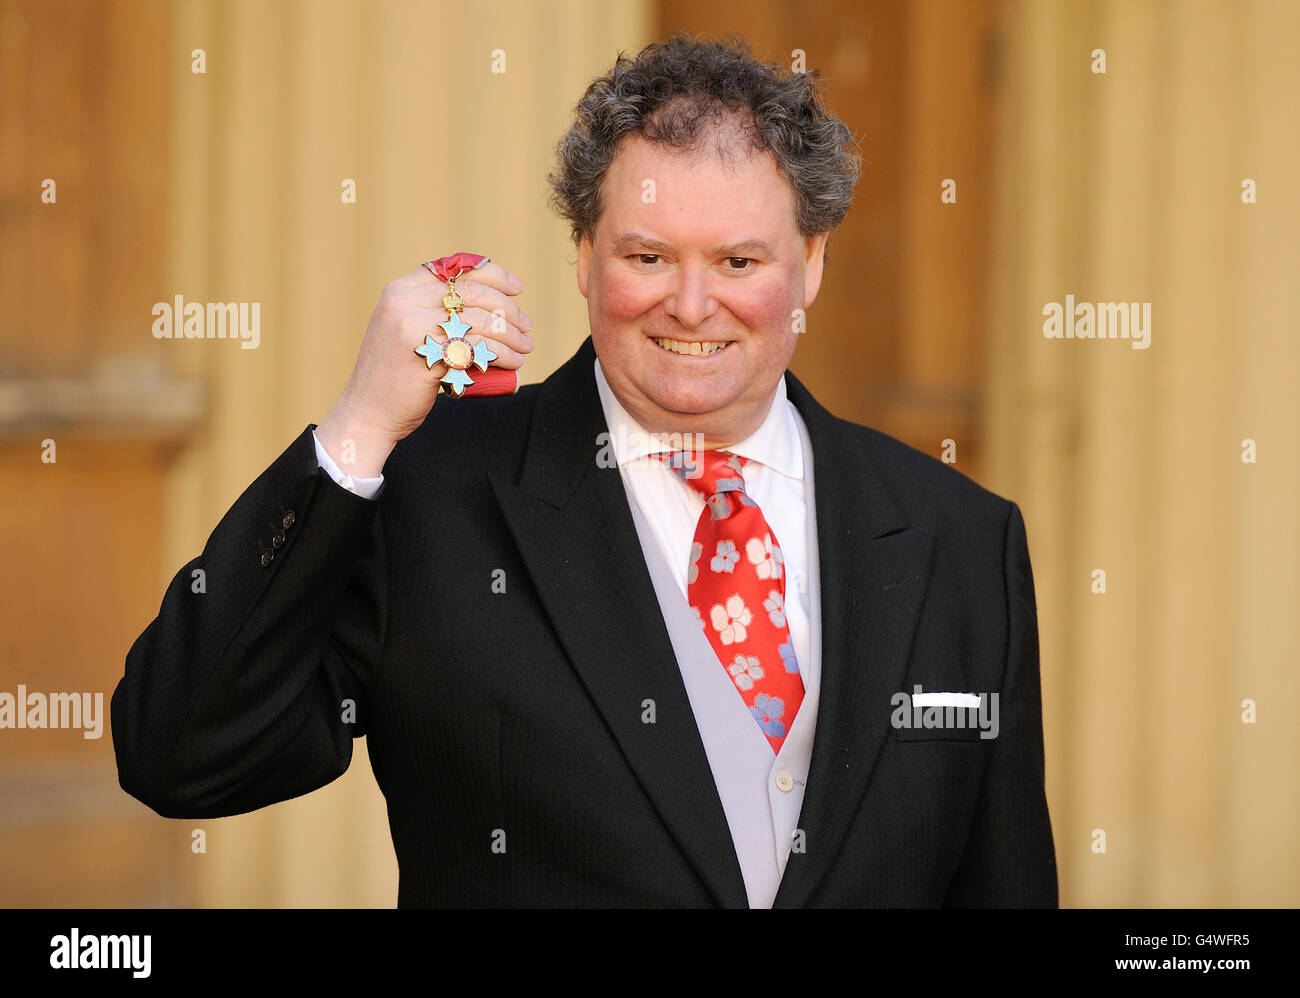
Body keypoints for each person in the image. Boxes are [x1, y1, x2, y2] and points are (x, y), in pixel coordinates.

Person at [112, 33, 1057, 908]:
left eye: (738, 259)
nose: (692, 305)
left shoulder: (961, 537)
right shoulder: (430, 498)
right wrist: (357, 430)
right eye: (648, 255)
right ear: (583, 256)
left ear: (810, 262)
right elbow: (181, 754)